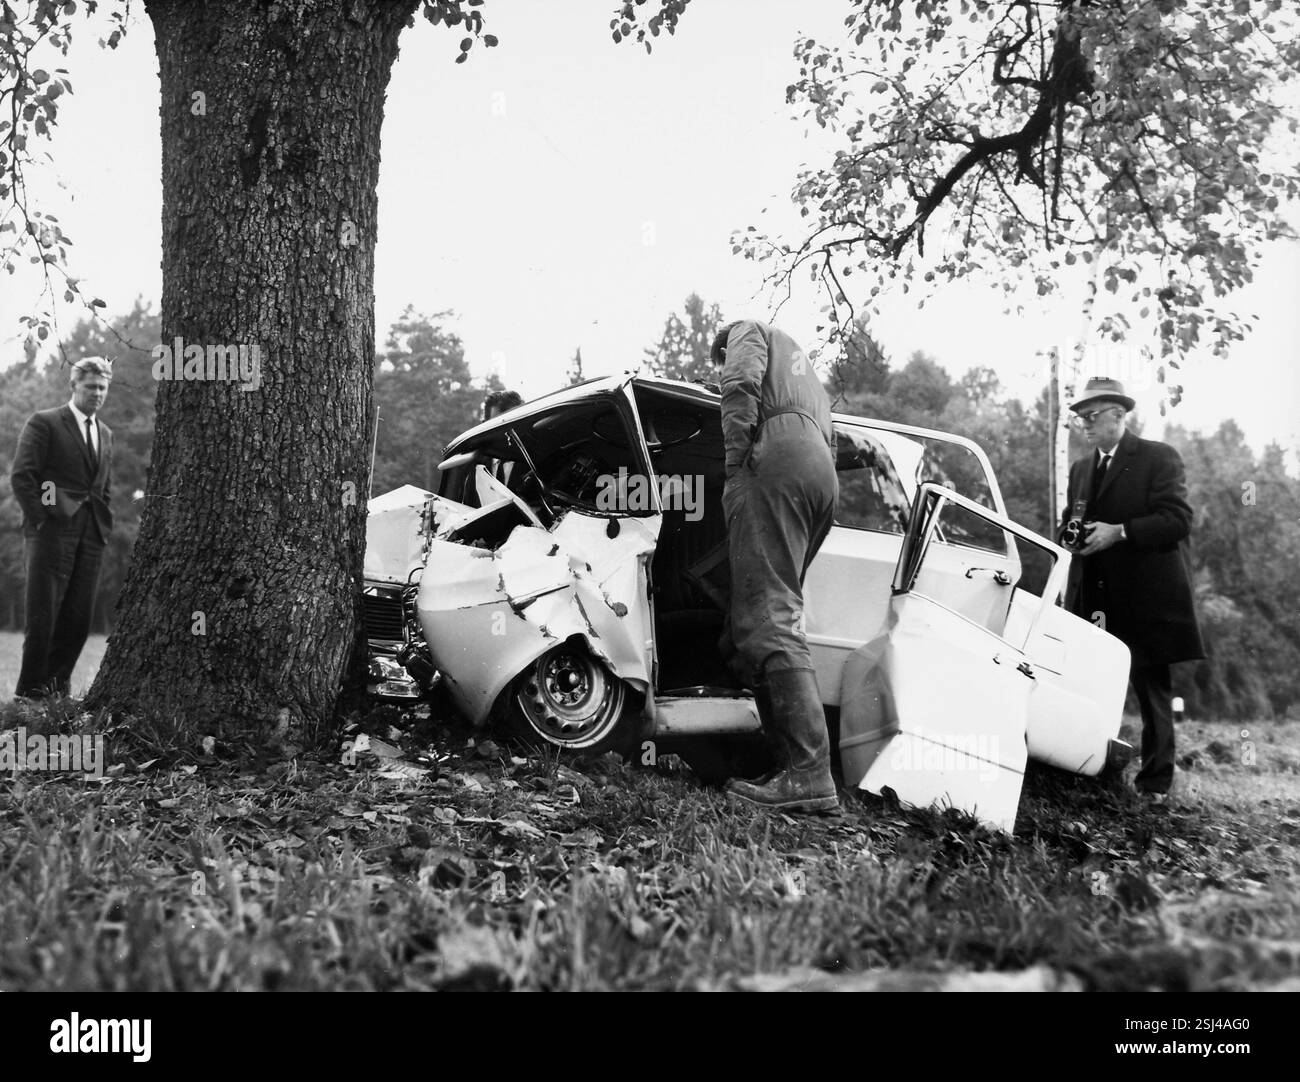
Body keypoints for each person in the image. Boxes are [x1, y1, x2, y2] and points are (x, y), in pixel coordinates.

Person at [711, 319, 840, 814]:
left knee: (768, 616)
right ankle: (793, 768)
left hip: (776, 459)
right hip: (818, 475)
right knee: (774, 609)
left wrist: (737, 461)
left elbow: (740, 381)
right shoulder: (804, 373)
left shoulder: (746, 330)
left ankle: (808, 774)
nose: (719, 371)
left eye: (716, 363)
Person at [1060, 377, 1204, 801]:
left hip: (1145, 598)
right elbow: (1072, 521)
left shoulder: (1159, 458)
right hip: (1095, 599)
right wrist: (1071, 534)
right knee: (1088, 689)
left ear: (1119, 416)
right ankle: (1087, 772)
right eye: (1079, 417)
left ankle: (1155, 786)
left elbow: (1178, 520)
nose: (1083, 424)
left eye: (1091, 416)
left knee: (1151, 689)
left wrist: (1119, 532)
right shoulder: (1081, 469)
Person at [10, 356, 116, 700]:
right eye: (90, 387)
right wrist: (42, 517)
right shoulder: (45, 423)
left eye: (102, 387)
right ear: (74, 386)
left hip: (91, 535)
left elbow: (103, 488)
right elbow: (24, 476)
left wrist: (102, 523)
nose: (97, 393)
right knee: (44, 615)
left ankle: (57, 694)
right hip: (51, 532)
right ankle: (29, 696)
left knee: (78, 619)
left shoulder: (106, 434)